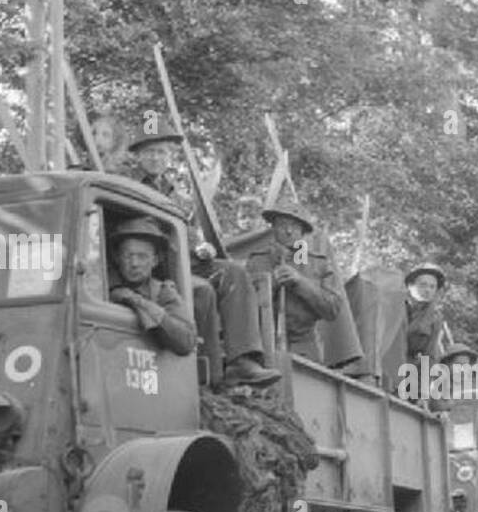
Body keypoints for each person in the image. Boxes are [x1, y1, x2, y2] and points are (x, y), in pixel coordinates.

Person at [126, 122, 278, 388]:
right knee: (202, 291)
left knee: (233, 272)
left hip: (183, 259)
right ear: (137, 155)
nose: (155, 158)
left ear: (169, 155)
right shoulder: (127, 184)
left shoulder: (173, 192)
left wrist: (200, 246)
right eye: (149, 152)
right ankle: (211, 375)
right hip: (151, 265)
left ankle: (242, 361)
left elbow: (186, 228)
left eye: (161, 152)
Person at [246, 198, 343, 362]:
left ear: (303, 231)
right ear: (274, 228)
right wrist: (272, 284)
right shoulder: (257, 261)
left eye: (295, 226)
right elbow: (244, 308)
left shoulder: (318, 263)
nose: (289, 231)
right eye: (283, 224)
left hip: (304, 347)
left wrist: (301, 282)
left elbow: (332, 309)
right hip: (263, 346)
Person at [106, 218, 196, 355]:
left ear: (154, 261)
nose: (134, 263)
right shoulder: (99, 283)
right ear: (117, 258)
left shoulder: (163, 292)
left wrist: (136, 301)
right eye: (128, 256)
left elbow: (186, 341)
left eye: (142, 257)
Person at [405, 263, 446, 366]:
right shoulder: (396, 308)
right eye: (423, 285)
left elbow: (430, 352)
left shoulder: (434, 317)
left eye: (432, 287)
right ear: (410, 286)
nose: (427, 290)